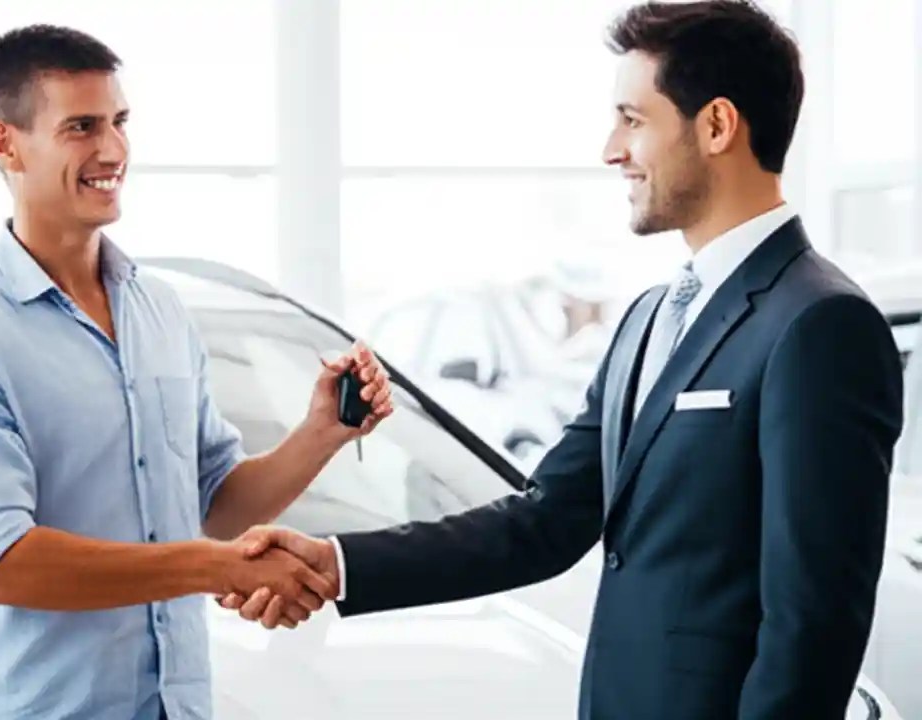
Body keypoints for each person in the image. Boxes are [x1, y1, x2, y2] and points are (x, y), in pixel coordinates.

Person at [222, 2, 904, 718]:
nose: (611, 149)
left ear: (716, 126)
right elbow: (545, 522)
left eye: (633, 120)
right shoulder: (648, 317)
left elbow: (815, 622)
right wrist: (335, 564)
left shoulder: (820, 323)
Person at [0, 24, 393, 720]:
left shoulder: (158, 307)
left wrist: (320, 433)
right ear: (6, 144)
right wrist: (218, 568)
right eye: (82, 127)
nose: (114, 150)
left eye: (120, 122)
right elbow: (3, 563)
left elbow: (212, 506)